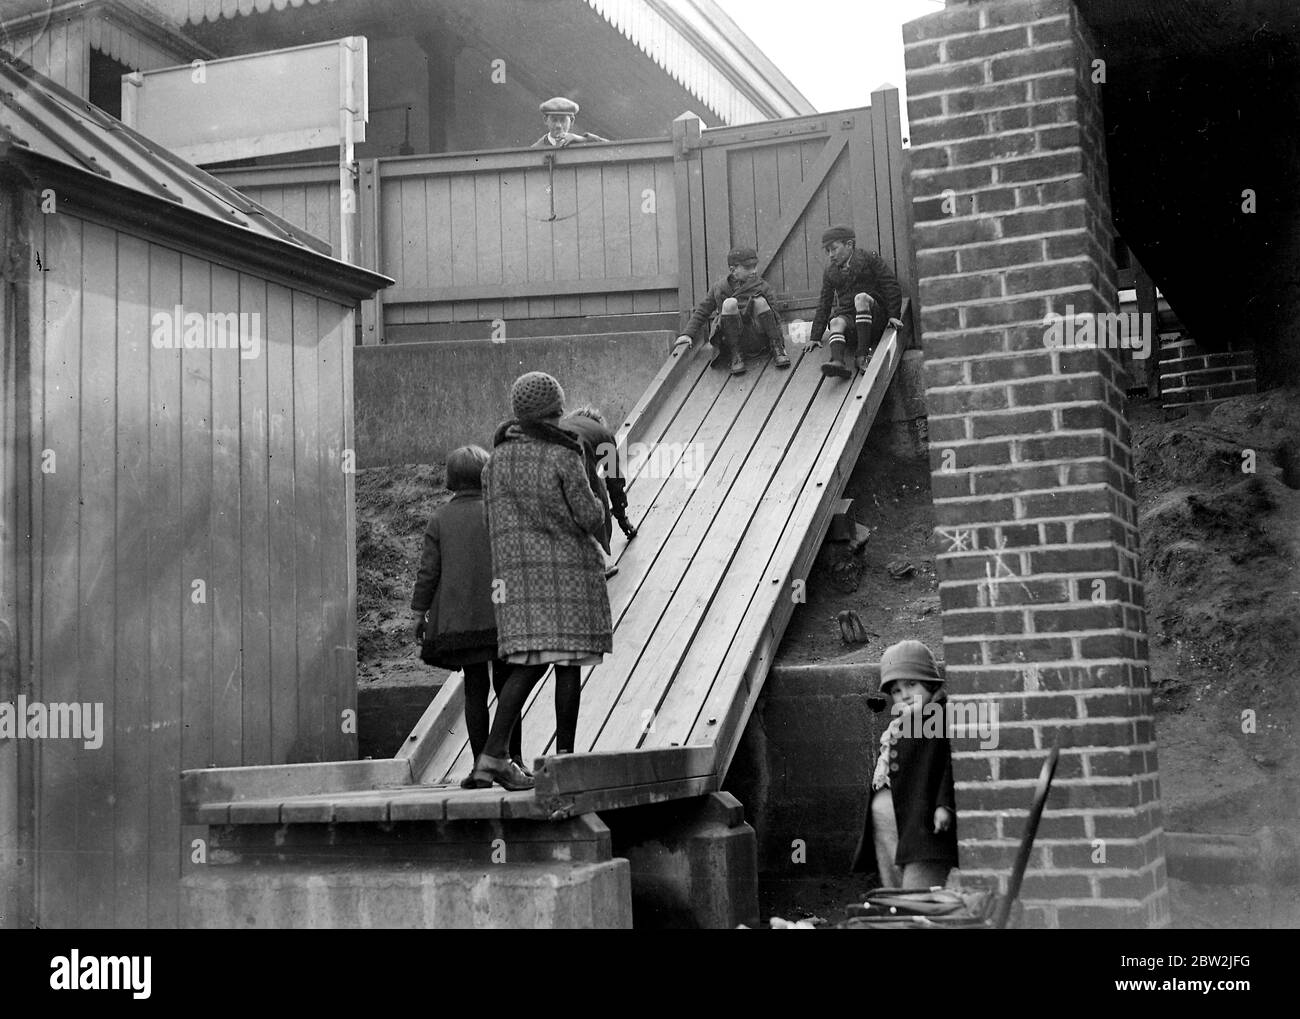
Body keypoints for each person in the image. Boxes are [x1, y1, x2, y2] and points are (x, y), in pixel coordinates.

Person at [472, 372, 614, 790]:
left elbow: (489, 520)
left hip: (515, 577)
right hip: (566, 574)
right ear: (555, 412)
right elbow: (589, 516)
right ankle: (561, 758)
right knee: (567, 662)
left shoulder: (496, 460)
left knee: (529, 662)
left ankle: (492, 758)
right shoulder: (562, 455)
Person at [410, 446, 524, 787]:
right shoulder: (501, 511)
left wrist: (419, 612)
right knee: (508, 689)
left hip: (463, 621)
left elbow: (429, 571)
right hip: (503, 614)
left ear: (450, 479)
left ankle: (479, 767)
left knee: (475, 690)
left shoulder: (440, 519)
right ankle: (512, 760)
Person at [851, 640, 958, 889]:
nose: (905, 695)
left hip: (926, 828)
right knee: (896, 888)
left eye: (912, 684)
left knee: (918, 889)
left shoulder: (941, 716)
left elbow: (949, 762)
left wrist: (944, 805)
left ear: (931, 684)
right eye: (897, 690)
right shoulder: (901, 724)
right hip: (901, 827)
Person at [672, 245, 790, 375]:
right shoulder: (719, 288)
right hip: (732, 339)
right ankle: (736, 355)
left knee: (760, 301)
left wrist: (780, 341)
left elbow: (775, 315)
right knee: (729, 303)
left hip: (758, 338)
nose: (754, 271)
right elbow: (703, 310)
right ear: (733, 270)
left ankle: (776, 348)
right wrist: (687, 334)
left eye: (755, 266)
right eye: (748, 268)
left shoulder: (762, 286)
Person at [808, 225, 904, 379]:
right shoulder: (830, 271)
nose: (831, 255)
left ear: (849, 245)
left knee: (861, 298)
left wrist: (894, 315)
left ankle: (862, 355)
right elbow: (824, 302)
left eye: (834, 249)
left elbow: (890, 284)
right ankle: (838, 362)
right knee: (835, 322)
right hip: (852, 323)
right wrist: (815, 336)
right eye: (828, 251)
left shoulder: (868, 258)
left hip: (874, 319)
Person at [561, 405, 637, 549]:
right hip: (576, 458)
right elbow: (614, 479)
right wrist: (622, 517)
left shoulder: (562, 425)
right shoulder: (603, 434)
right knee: (596, 498)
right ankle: (598, 563)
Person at [530, 96, 608, 148]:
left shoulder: (579, 143)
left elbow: (612, 148)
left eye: (563, 120)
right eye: (554, 120)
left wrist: (582, 139)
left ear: (572, 121)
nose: (558, 126)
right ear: (545, 120)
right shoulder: (536, 149)